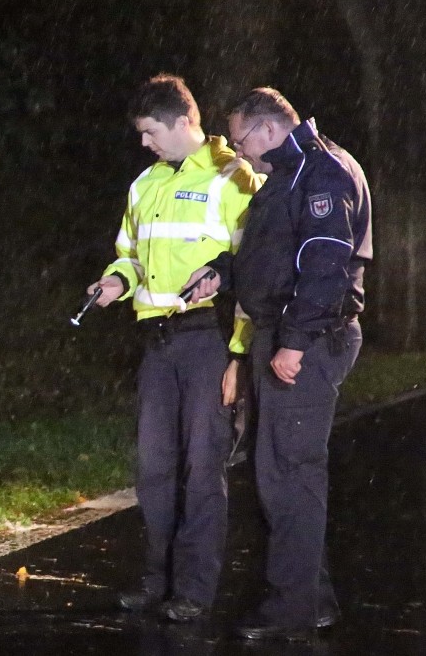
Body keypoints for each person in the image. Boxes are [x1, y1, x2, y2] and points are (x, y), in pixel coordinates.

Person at [183, 88, 370, 640]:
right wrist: (224, 271)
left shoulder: (321, 171)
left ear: (267, 131)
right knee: (281, 473)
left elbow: (324, 260)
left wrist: (294, 340)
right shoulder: (288, 176)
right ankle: (312, 601)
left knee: (289, 476)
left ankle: (291, 612)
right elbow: (270, 254)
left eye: (241, 142)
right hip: (282, 334)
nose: (240, 155)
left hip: (306, 340)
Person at [88, 74, 259, 623]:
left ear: (184, 122)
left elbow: (254, 269)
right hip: (158, 343)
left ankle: (195, 589)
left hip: (208, 338)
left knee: (203, 468)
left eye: (149, 132)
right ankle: (155, 580)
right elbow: (132, 255)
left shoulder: (236, 176)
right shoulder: (144, 186)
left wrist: (239, 355)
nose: (144, 143)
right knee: (154, 468)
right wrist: (116, 281)